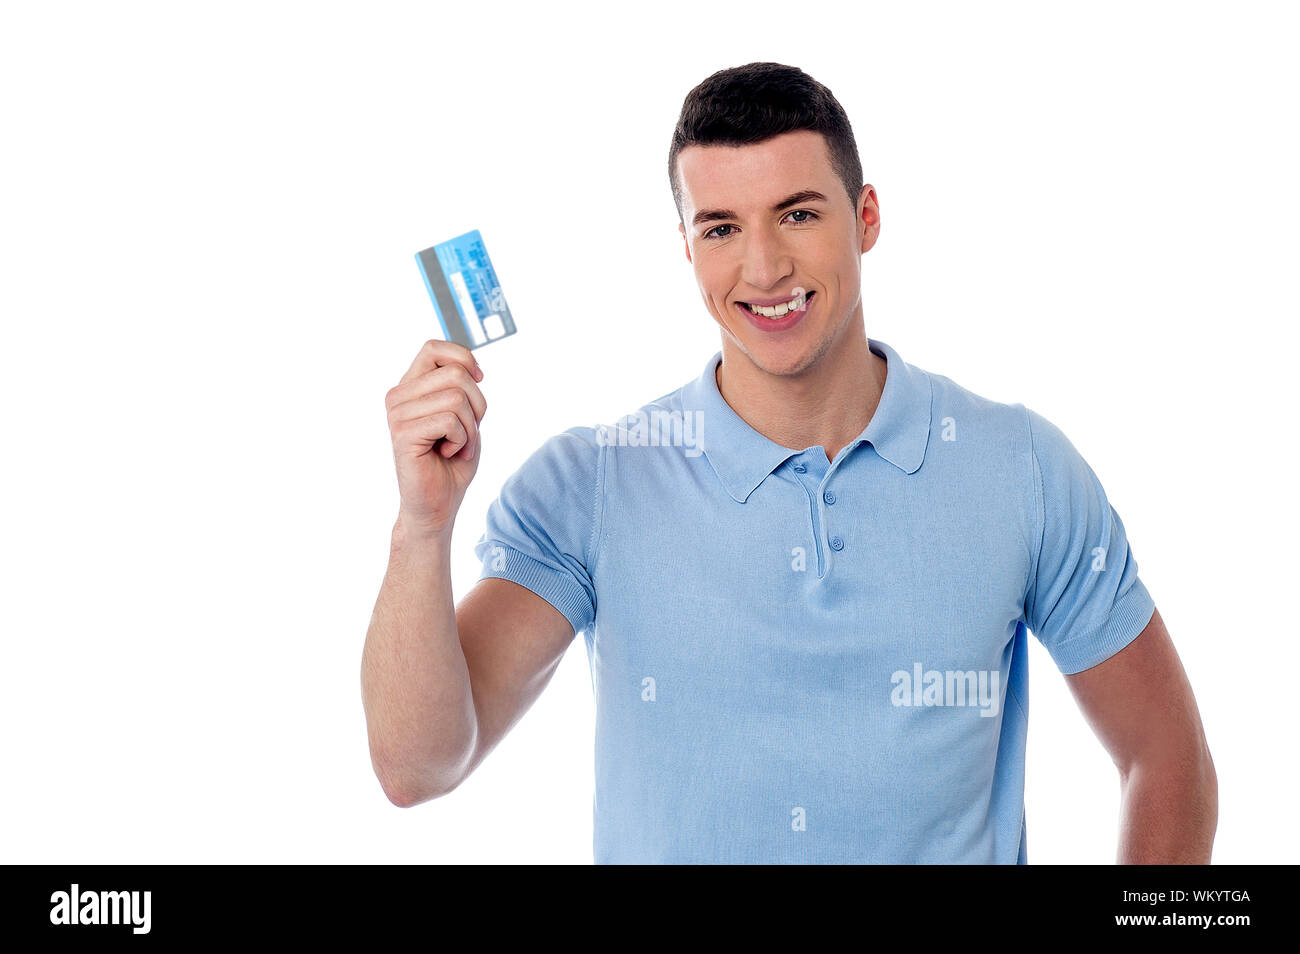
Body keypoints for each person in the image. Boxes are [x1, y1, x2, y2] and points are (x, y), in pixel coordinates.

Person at [361, 62, 1217, 864]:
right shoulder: (595, 483)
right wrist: (422, 526)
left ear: (867, 217)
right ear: (687, 250)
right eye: (722, 227)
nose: (765, 268)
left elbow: (1165, 755)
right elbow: (420, 767)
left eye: (799, 213)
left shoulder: (1020, 467)